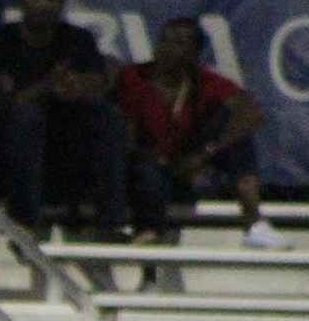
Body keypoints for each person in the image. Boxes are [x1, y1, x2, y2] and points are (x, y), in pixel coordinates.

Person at [0, 0, 128, 237]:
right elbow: (0, 101)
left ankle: (110, 222)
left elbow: (98, 84)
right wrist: (47, 86)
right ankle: (26, 221)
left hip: (64, 141)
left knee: (107, 117)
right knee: (26, 115)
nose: (44, 5)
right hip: (11, 144)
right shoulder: (1, 41)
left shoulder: (77, 40)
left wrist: (77, 87)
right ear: (22, 1)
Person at [117, 17, 284, 250]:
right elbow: (125, 137)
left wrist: (205, 154)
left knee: (237, 134)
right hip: (145, 168)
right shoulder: (135, 77)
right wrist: (151, 159)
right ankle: (149, 253)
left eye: (178, 43)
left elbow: (252, 112)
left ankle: (253, 222)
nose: (166, 48)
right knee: (147, 175)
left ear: (194, 54)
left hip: (186, 166)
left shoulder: (203, 81)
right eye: (163, 40)